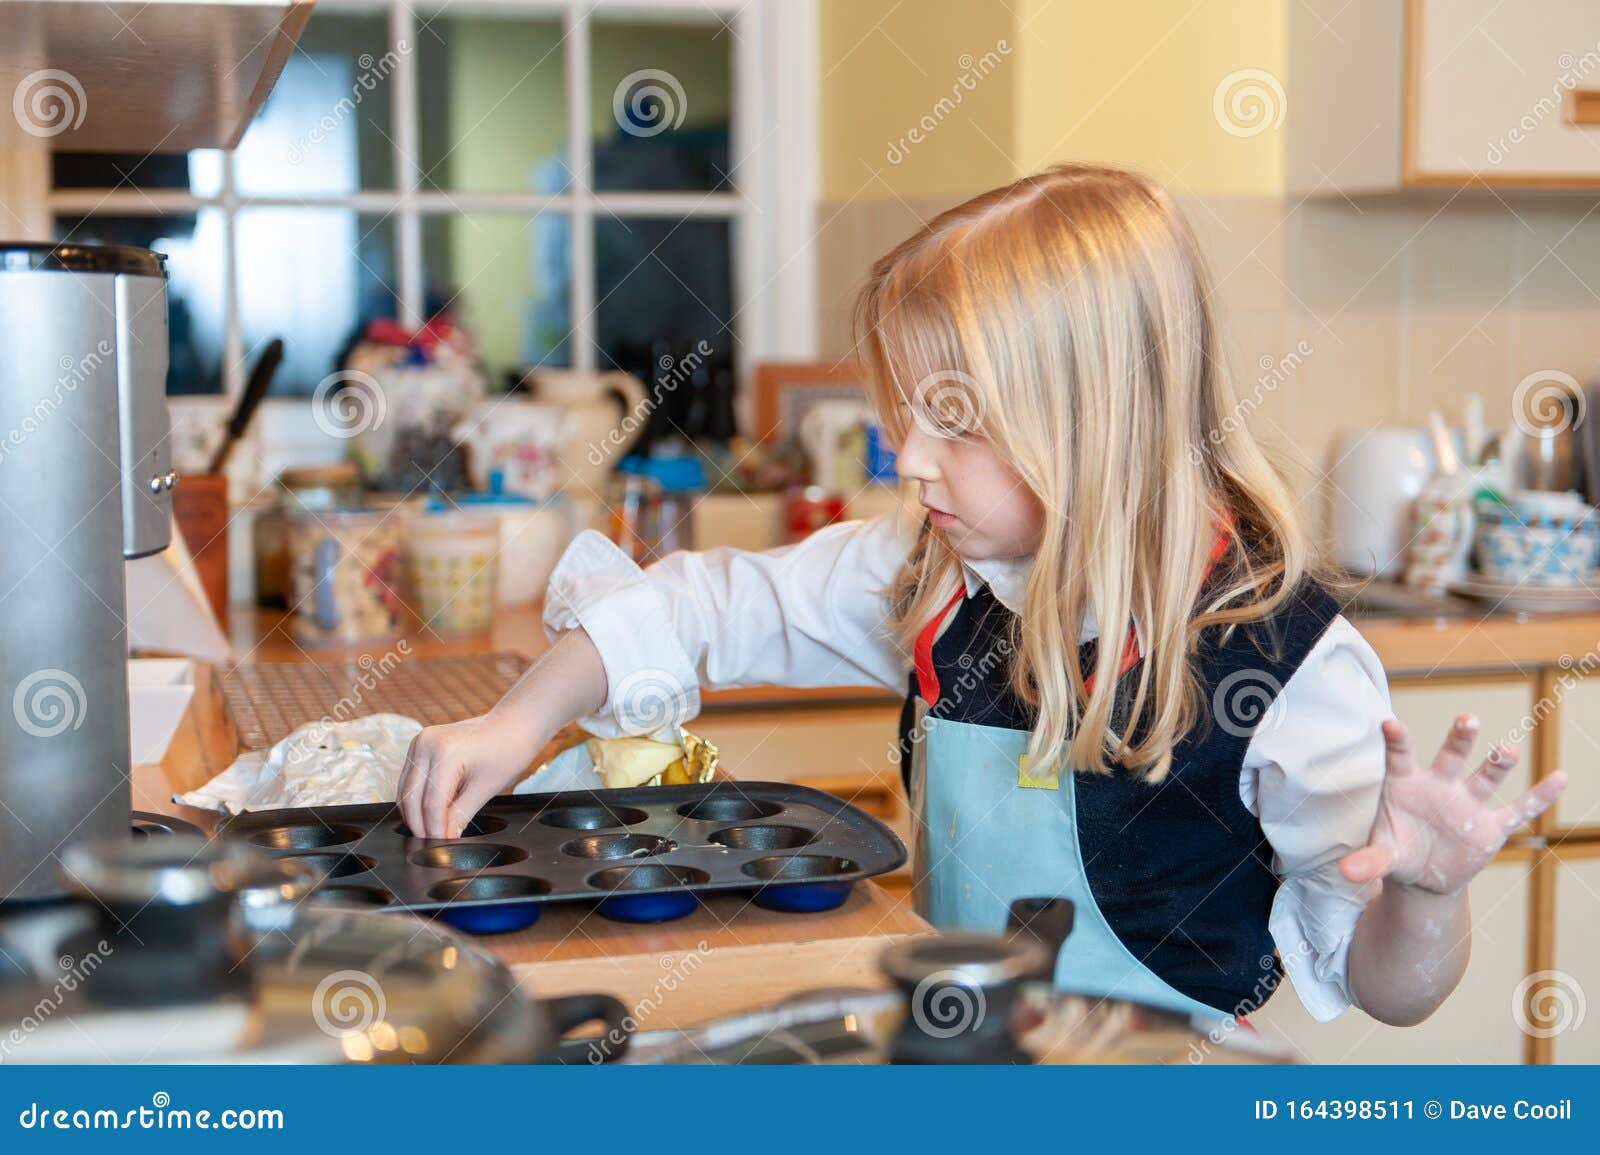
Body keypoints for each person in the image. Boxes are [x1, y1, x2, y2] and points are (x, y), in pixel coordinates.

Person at [399, 164, 1565, 1028]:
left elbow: (1390, 993)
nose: (907, 460)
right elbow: (696, 606)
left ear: (1092, 423)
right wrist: (519, 717)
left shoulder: (1284, 664)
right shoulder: (932, 580)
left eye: (951, 424)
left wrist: (1423, 891)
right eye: (903, 420)